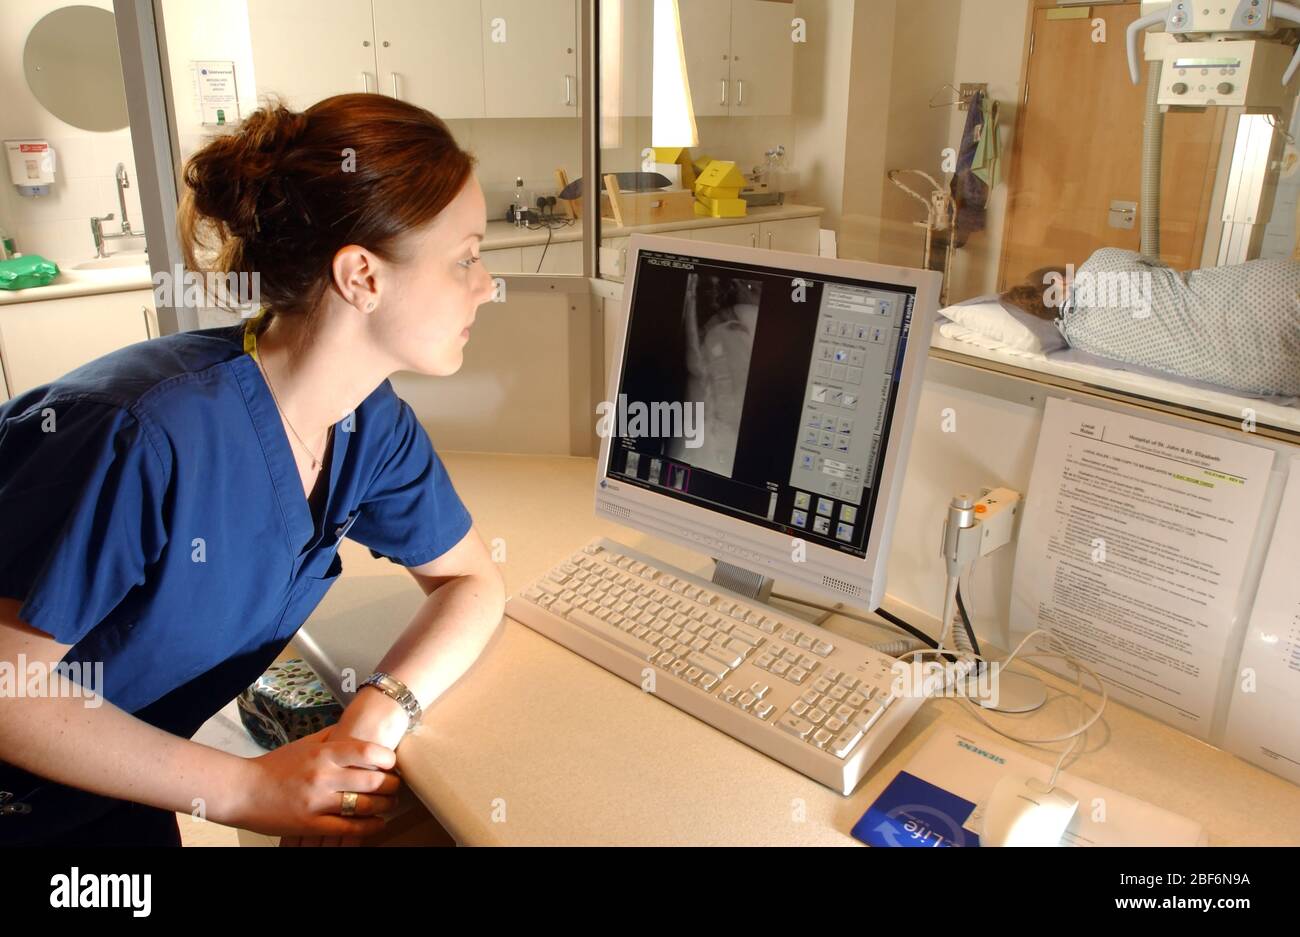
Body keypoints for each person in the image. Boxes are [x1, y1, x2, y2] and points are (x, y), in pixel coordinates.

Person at [0, 94, 505, 846]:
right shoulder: (143, 434)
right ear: (362, 276)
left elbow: (472, 582)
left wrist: (372, 719)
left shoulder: (370, 423)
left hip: (110, 784)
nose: (488, 284)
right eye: (465, 257)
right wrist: (244, 786)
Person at [1000, 248, 1300, 397]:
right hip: (1265, 291)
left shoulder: (1082, 341)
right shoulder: (1100, 262)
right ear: (1063, 279)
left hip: (1270, 372)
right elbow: (1161, 267)